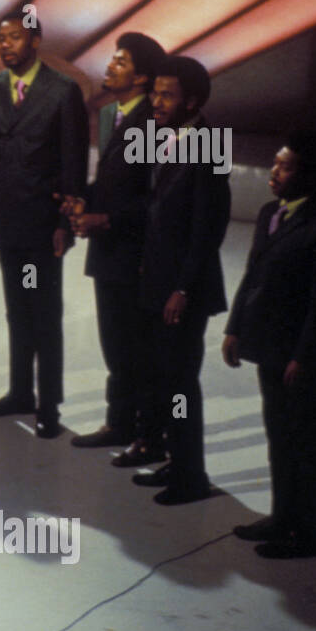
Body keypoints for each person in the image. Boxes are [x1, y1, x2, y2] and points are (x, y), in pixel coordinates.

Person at [223, 132, 316, 558]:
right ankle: (284, 518)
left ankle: (309, 534)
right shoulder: (268, 214)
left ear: (312, 176)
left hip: (308, 358)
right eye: (275, 163)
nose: (273, 172)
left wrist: (304, 356)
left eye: (285, 166)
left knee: (308, 448)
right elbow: (252, 276)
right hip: (271, 350)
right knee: (280, 438)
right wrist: (235, 327)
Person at [0, 11, 88, 437]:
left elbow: (73, 162)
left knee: (44, 314)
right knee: (16, 312)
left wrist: (64, 222)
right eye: (1, 39)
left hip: (43, 227)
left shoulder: (62, 92)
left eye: (15, 38)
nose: (6, 46)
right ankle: (20, 393)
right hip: (7, 222)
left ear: (36, 41)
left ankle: (49, 406)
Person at [133, 55, 230, 505]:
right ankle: (178, 462)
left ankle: (192, 476)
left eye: (167, 95)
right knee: (165, 378)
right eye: (155, 92)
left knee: (181, 383)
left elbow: (208, 228)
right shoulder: (167, 137)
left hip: (183, 291)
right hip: (159, 282)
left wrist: (182, 289)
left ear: (191, 100)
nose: (156, 101)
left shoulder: (209, 144)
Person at [63, 32, 165, 456]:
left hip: (133, 254)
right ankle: (121, 424)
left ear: (141, 77)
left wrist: (106, 217)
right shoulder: (114, 115)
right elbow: (113, 183)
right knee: (116, 345)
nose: (110, 66)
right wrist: (85, 198)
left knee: (135, 349)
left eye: (121, 62)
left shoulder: (152, 124)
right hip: (109, 252)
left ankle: (145, 435)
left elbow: (157, 198)